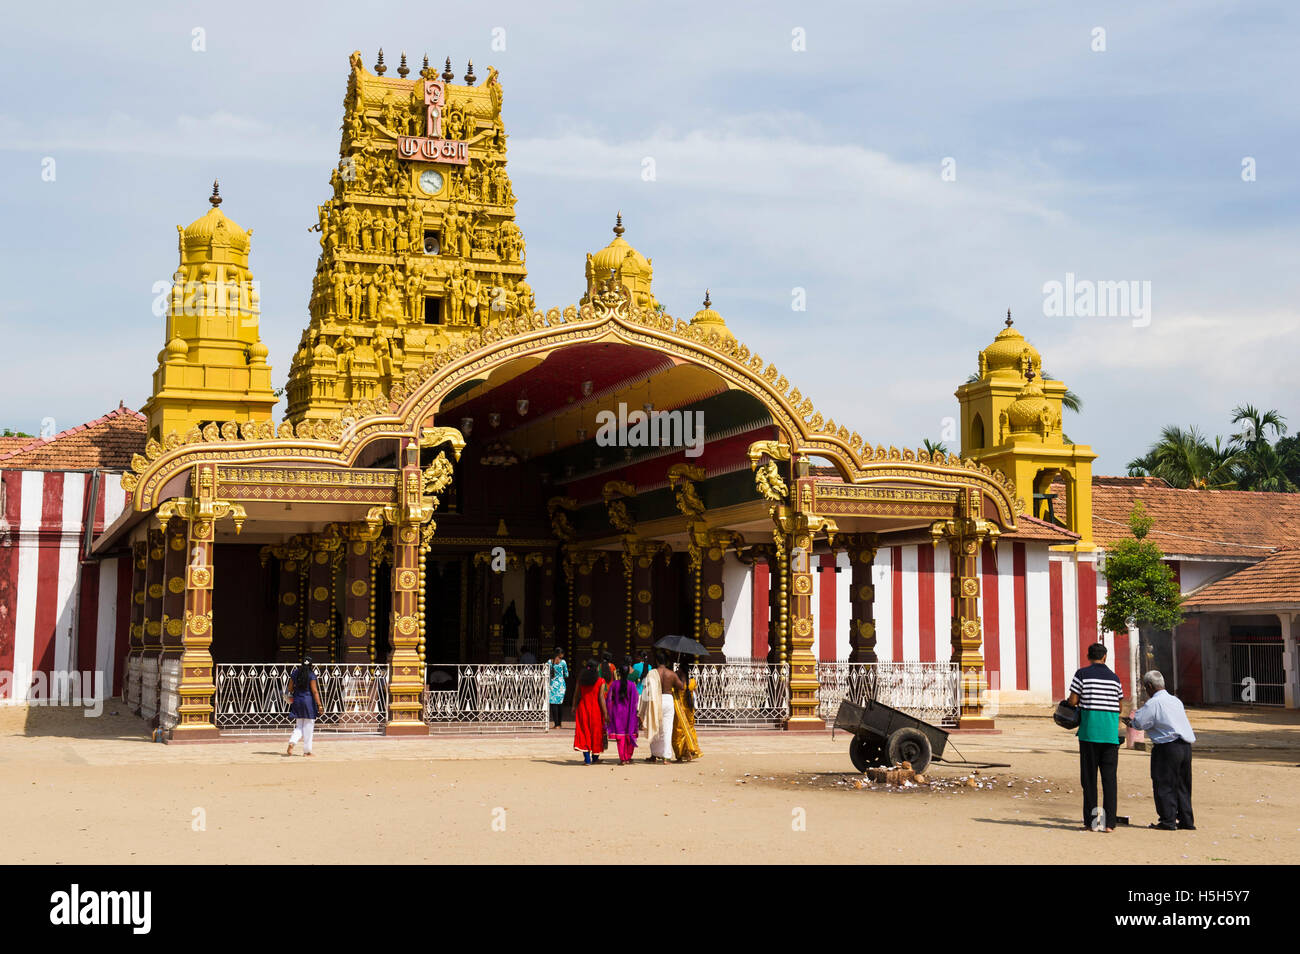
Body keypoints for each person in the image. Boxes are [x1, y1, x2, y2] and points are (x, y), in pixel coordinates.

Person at [1125, 671, 1196, 831]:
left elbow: (1140, 723)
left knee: (1163, 783)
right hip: (1185, 746)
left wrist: (1130, 722)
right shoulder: (1175, 700)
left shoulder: (1153, 703)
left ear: (1149, 686)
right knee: (1182, 784)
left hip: (1167, 747)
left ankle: (1168, 820)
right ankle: (1186, 820)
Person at [1067, 642, 1123, 831]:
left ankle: (1091, 823)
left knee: (1089, 780)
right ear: (1105, 657)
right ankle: (1110, 824)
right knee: (1110, 780)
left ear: (1088, 657)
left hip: (1089, 734)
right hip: (1110, 735)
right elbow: (1120, 706)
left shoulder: (1082, 674)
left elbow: (1073, 700)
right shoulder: (1115, 678)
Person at [642, 651, 683, 763]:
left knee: (655, 727)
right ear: (667, 661)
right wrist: (677, 675)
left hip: (655, 700)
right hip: (668, 700)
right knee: (667, 729)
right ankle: (666, 757)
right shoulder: (671, 674)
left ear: (656, 661)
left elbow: (646, 688)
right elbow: (681, 686)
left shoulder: (652, 673)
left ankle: (654, 755)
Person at [605, 657, 641, 765]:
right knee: (630, 734)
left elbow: (609, 699)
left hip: (617, 713)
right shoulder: (632, 685)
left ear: (619, 673)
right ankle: (628, 757)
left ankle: (622, 758)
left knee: (620, 737)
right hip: (629, 713)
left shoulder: (615, 684)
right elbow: (636, 700)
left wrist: (608, 712)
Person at [286, 656, 323, 757]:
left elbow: (289, 688)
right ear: (311, 665)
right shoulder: (311, 675)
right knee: (308, 727)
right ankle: (307, 751)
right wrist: (319, 705)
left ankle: (292, 742)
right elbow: (315, 691)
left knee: (299, 726)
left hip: (297, 700)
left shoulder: (295, 673)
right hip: (308, 702)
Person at [572, 660, 608, 765]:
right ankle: (595, 758)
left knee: (584, 732)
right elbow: (601, 698)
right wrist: (605, 713)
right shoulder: (601, 681)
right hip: (596, 710)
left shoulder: (581, 680)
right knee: (596, 733)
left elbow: (576, 694)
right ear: (597, 668)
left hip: (583, 708)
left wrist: (574, 706)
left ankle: (587, 760)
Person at [671, 658, 702, 762]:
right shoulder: (692, 681)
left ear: (680, 669)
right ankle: (690, 752)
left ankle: (680, 755)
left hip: (679, 711)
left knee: (678, 733)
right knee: (689, 731)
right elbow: (696, 694)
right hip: (689, 710)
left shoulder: (677, 683)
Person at [546, 648, 568, 728]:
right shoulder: (563, 662)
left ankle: (556, 724)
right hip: (561, 685)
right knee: (560, 704)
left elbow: (546, 672)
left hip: (552, 685)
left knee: (553, 704)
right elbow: (566, 674)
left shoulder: (549, 662)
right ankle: (559, 723)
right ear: (560, 654)